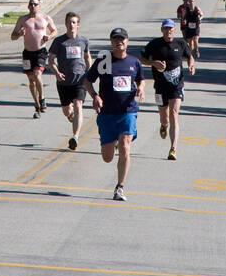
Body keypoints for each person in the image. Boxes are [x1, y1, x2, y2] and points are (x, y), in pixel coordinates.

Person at [83, 28, 144, 201]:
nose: (119, 42)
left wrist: (141, 88)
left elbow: (141, 79)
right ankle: (113, 142)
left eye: (122, 39)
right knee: (107, 157)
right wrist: (95, 96)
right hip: (107, 113)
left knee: (125, 146)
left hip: (128, 111)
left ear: (127, 41)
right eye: (116, 39)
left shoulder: (134, 62)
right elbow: (87, 80)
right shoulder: (104, 60)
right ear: (111, 42)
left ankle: (120, 187)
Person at [141, 20, 194, 159]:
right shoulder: (155, 44)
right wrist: (153, 63)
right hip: (160, 86)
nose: (168, 31)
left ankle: (173, 149)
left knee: (174, 113)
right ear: (162, 30)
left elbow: (190, 57)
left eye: (170, 28)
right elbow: (142, 59)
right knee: (164, 117)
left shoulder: (180, 44)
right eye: (166, 29)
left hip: (176, 86)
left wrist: (191, 65)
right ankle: (163, 125)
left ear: (174, 30)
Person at [47, 12, 93, 149]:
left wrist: (89, 72)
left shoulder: (83, 41)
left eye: (74, 22)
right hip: (64, 82)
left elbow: (87, 57)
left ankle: (75, 137)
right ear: (66, 24)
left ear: (78, 25)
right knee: (67, 111)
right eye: (69, 22)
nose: (71, 24)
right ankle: (70, 114)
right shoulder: (59, 41)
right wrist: (56, 72)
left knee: (78, 104)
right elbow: (50, 60)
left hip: (80, 80)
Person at [11, 0, 57, 117]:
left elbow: (55, 30)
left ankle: (42, 98)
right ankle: (37, 106)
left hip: (41, 51)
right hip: (27, 53)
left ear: (39, 5)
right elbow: (12, 36)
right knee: (31, 81)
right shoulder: (23, 19)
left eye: (35, 4)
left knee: (37, 74)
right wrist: (19, 34)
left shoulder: (45, 18)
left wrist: (49, 36)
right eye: (31, 4)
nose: (33, 6)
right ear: (28, 6)